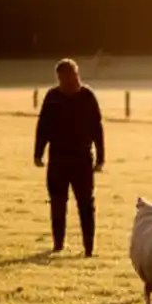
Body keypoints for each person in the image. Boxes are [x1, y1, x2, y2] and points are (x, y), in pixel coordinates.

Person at [34, 58, 105, 257]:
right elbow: (43, 127)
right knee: (57, 203)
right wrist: (38, 153)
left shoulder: (87, 96)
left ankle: (89, 247)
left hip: (82, 159)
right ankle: (58, 244)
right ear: (59, 77)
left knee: (85, 204)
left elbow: (96, 128)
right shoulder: (52, 97)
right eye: (64, 76)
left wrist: (100, 157)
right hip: (58, 158)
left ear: (76, 74)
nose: (69, 80)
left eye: (71, 75)